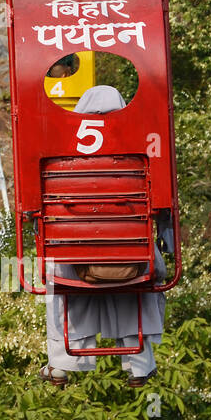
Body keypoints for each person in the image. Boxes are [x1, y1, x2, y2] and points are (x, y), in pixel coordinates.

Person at [41, 85, 169, 388]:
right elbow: (164, 205)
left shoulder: (59, 152)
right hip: (132, 256)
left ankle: (61, 364)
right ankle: (140, 365)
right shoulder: (142, 147)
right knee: (141, 271)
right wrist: (168, 240)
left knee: (60, 272)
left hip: (74, 257)